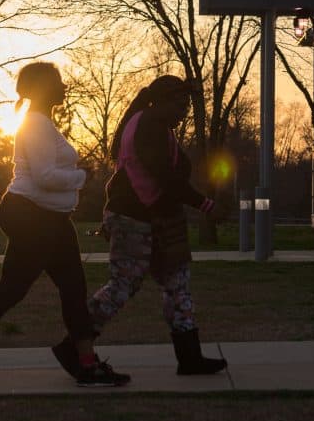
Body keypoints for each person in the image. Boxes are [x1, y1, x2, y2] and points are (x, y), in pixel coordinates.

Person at [0, 62, 130, 390]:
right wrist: (83, 177)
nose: (65, 86)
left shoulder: (41, 123)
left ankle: (85, 363)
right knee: (15, 291)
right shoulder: (36, 124)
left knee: (71, 291)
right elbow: (45, 177)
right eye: (58, 82)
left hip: (48, 219)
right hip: (31, 216)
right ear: (43, 88)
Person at [52, 75, 227, 378]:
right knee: (124, 285)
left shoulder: (152, 125)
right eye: (179, 104)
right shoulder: (149, 127)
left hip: (155, 218)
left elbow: (175, 173)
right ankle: (74, 346)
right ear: (160, 102)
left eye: (187, 104)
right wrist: (206, 205)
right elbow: (166, 178)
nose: (184, 110)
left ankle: (190, 358)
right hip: (134, 218)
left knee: (177, 284)